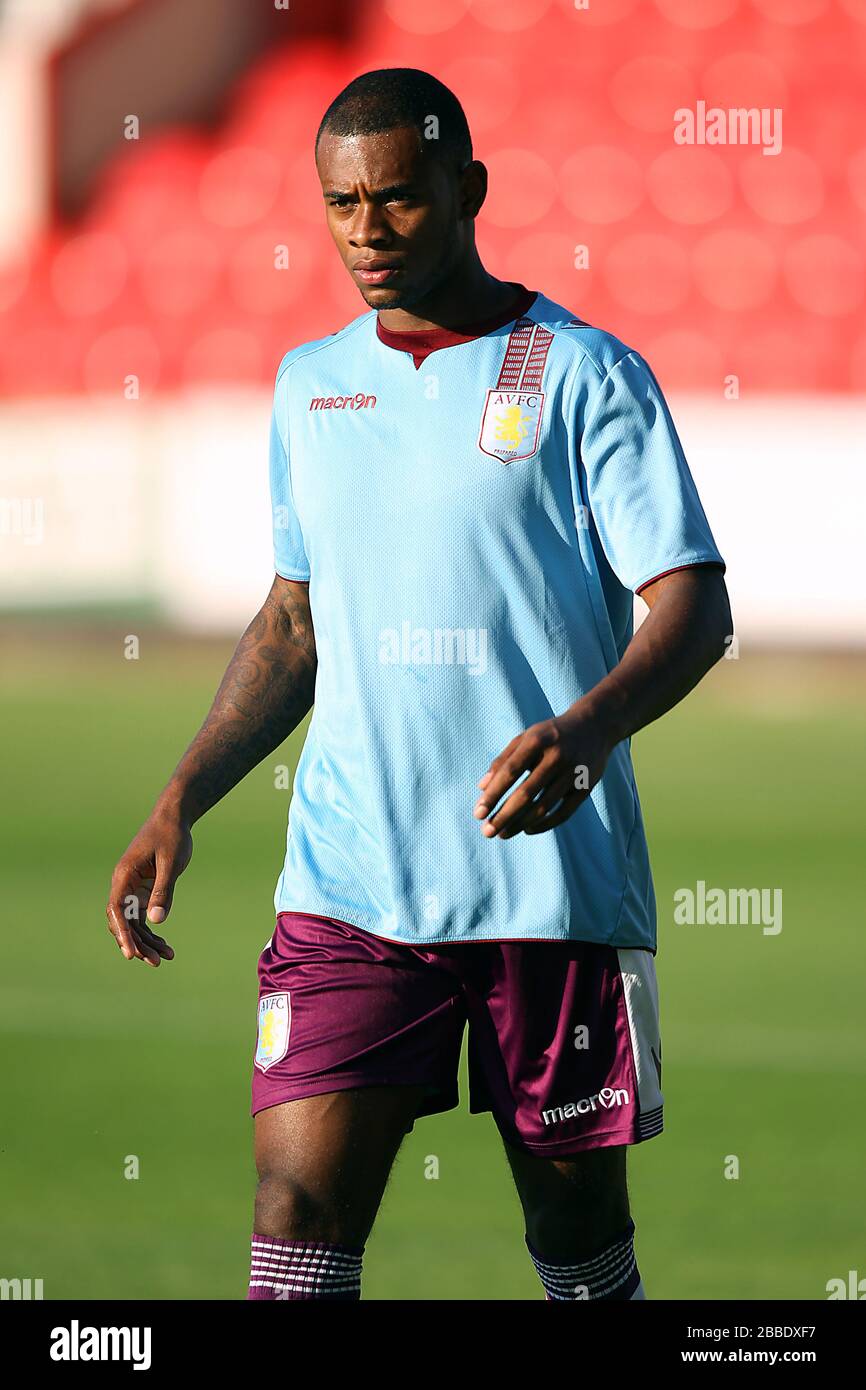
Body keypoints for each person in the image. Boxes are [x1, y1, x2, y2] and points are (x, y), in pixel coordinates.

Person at [106, 67, 732, 1302]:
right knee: (294, 1220)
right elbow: (293, 622)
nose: (366, 231)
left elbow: (693, 603)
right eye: (341, 203)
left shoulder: (583, 374)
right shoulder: (309, 386)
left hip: (550, 894)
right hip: (350, 887)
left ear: (467, 191)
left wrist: (588, 727)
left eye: (396, 199)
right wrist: (181, 794)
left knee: (575, 1241)